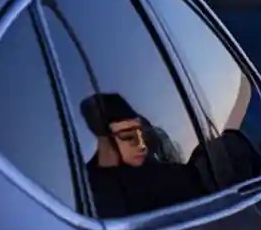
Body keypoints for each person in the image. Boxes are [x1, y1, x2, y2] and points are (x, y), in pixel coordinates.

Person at [78, 92, 206, 219]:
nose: (141, 145)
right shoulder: (84, 186)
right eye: (128, 136)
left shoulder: (168, 177)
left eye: (141, 134)